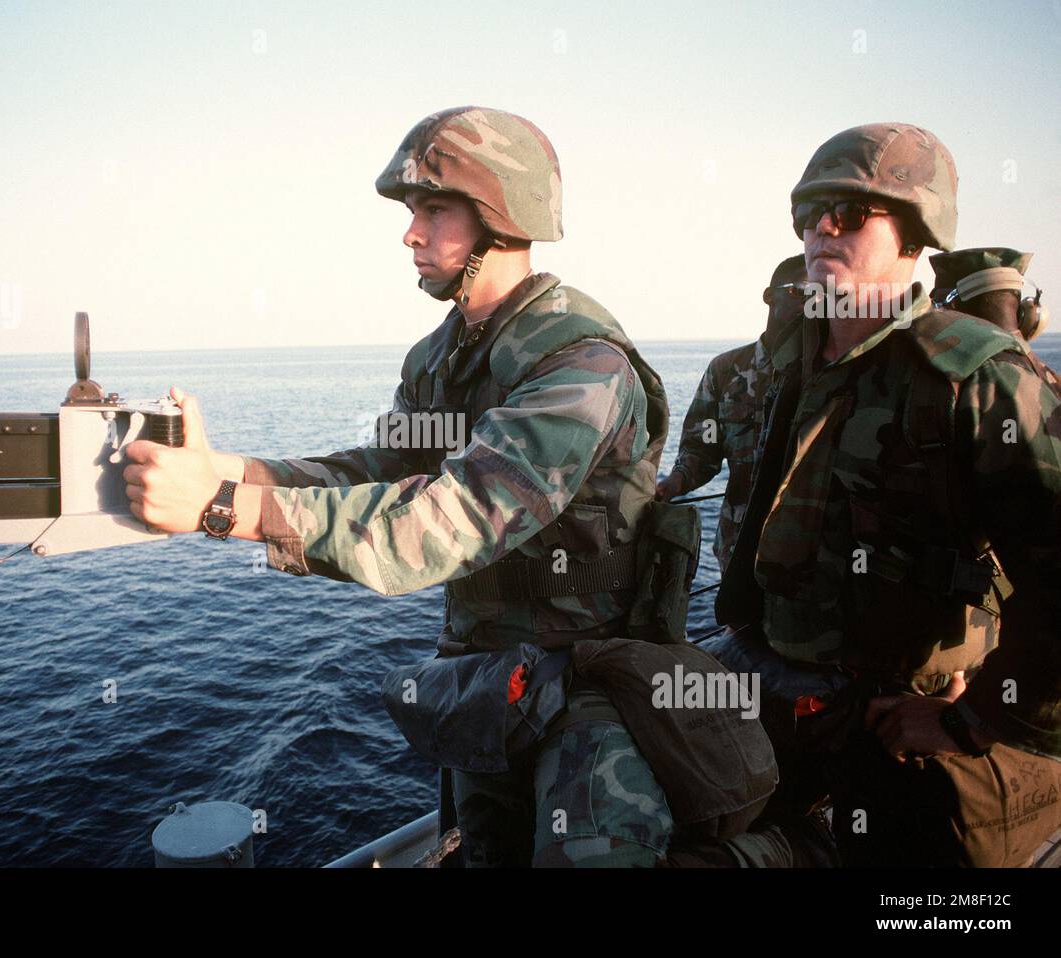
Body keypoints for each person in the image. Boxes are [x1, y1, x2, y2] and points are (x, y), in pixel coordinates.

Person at [122, 106, 674, 867]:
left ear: (499, 219)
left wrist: (223, 510)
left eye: (434, 209)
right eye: (413, 211)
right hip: (488, 677)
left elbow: (446, 520)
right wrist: (228, 472)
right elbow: (379, 472)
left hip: (588, 687)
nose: (410, 233)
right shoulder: (440, 359)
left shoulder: (581, 366)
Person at [711, 123, 1061, 867]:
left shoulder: (974, 377)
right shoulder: (787, 369)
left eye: (847, 212)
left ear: (915, 232)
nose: (819, 230)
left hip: (901, 724)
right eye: (808, 214)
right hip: (785, 705)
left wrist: (968, 719)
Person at [655, 254, 807, 573]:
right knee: (736, 624)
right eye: (800, 291)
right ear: (770, 295)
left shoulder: (829, 373)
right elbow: (701, 449)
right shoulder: (727, 371)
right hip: (739, 547)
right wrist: (674, 483)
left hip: (808, 555)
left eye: (822, 296)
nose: (809, 303)